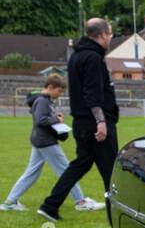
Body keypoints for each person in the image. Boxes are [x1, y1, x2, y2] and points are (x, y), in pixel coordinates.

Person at [38, 18, 118, 222]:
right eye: (109, 34)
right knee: (110, 168)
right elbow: (93, 94)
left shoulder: (77, 57)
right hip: (95, 122)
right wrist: (101, 122)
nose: (110, 38)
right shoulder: (93, 58)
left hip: (81, 122)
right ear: (101, 35)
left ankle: (50, 205)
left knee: (80, 164)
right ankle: (116, 212)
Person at [1, 75, 102, 212]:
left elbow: (43, 119)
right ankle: (81, 201)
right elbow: (41, 120)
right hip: (46, 142)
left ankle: (9, 202)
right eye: (59, 91)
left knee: (31, 173)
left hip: (40, 141)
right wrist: (57, 119)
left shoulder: (44, 100)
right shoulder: (42, 101)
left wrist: (56, 119)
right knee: (67, 170)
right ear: (50, 87)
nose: (60, 95)